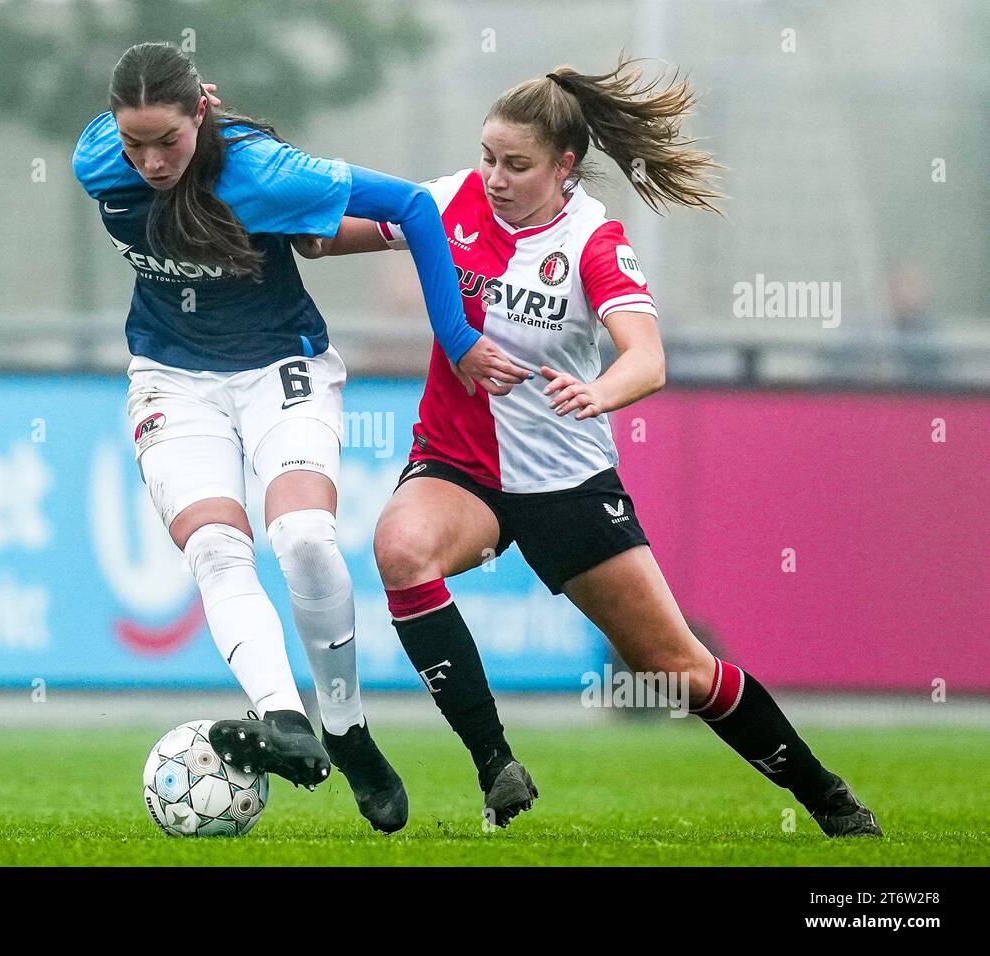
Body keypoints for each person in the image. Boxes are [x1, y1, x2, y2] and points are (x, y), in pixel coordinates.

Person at [295, 56, 882, 837]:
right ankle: (495, 763)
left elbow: (648, 356)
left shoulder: (592, 241)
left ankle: (828, 797)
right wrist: (251, 180)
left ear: (565, 166)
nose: (495, 177)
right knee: (401, 549)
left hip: (567, 480)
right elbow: (321, 240)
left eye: (517, 164)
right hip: (458, 466)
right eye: (487, 157)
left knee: (677, 671)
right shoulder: (445, 203)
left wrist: (599, 391)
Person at [71, 42, 530, 834]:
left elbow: (416, 209)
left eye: (168, 142)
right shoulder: (93, 159)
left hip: (281, 368)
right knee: (216, 548)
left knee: (305, 537)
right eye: (134, 141)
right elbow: (134, 148)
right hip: (171, 380)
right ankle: (282, 717)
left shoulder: (266, 172)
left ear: (202, 113)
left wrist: (455, 337)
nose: (148, 160)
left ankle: (347, 731)